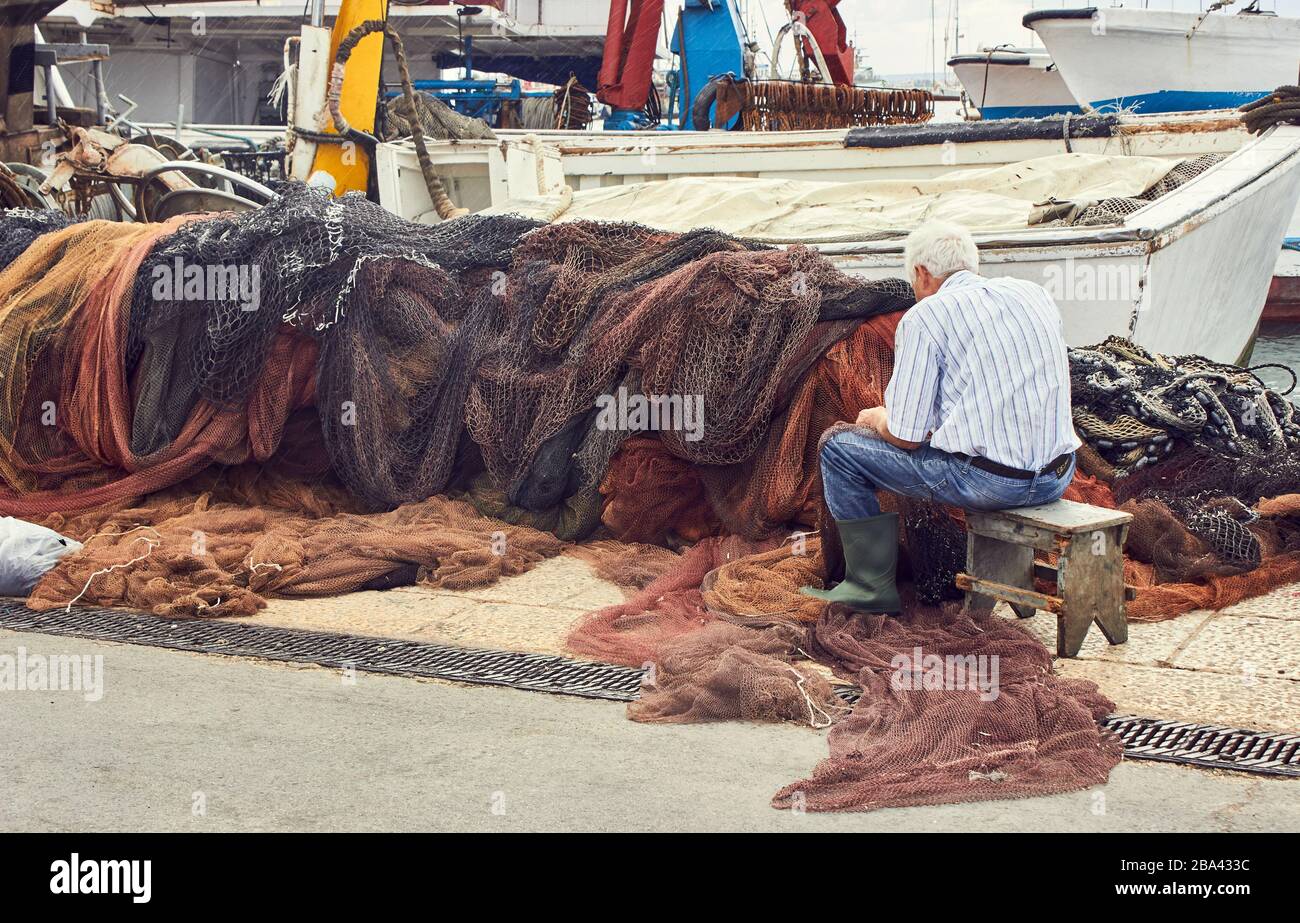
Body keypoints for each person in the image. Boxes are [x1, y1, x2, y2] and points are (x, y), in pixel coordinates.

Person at [802, 220, 1080, 613]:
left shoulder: (926, 316)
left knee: (837, 448)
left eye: (913, 282)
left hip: (992, 484)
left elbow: (906, 437)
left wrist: (876, 418)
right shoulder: (1032, 293)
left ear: (921, 273)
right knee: (959, 446)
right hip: (1056, 476)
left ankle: (869, 588)